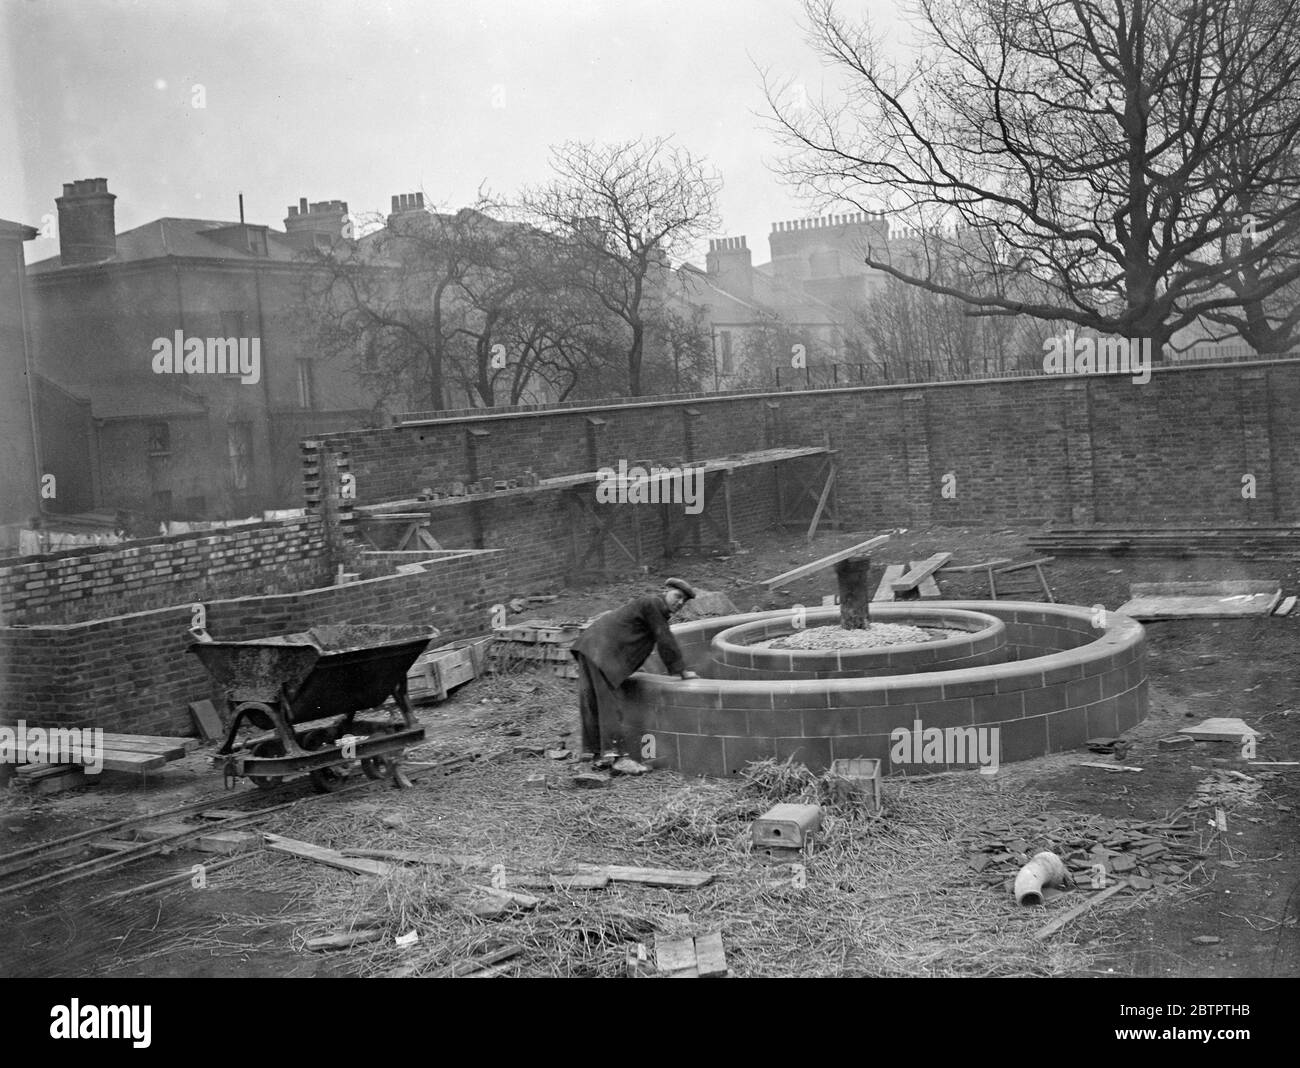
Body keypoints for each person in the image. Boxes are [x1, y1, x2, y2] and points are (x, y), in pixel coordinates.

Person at [570, 578, 700, 761]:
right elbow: (664, 638)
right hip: (601, 651)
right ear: (666, 590)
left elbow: (637, 641)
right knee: (607, 703)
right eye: (677, 596)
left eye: (683, 601)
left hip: (591, 646)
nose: (679, 603)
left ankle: (591, 752)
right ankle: (617, 758)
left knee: (591, 702)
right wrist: (681, 670)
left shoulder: (648, 605)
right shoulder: (654, 604)